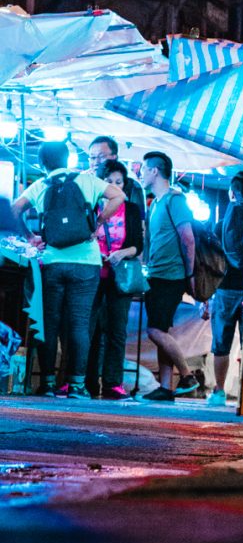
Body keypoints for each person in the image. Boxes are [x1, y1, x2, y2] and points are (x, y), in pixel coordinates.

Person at [12, 141, 122, 397]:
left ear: (42, 164)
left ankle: (48, 384)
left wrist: (30, 237)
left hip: (52, 262)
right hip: (86, 263)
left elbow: (13, 210)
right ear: (69, 159)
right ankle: (77, 385)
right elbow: (119, 196)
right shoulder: (87, 180)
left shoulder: (40, 186)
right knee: (79, 324)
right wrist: (98, 222)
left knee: (48, 324)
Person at [142, 150, 201, 403]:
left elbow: (188, 238)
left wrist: (189, 274)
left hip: (171, 275)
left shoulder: (175, 200)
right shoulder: (155, 202)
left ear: (155, 170)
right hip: (157, 273)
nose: (141, 174)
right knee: (162, 329)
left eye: (144, 169)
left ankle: (187, 376)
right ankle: (166, 387)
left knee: (155, 330)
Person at [86, 162, 144, 400]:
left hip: (120, 276)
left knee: (117, 331)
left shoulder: (131, 209)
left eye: (119, 182)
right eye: (110, 181)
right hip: (92, 275)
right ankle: (85, 382)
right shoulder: (92, 207)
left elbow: (138, 245)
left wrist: (122, 252)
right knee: (90, 330)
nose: (115, 186)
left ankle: (112, 383)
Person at [206, 171, 243, 409]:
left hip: (225, 290)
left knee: (221, 344)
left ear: (232, 193)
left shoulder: (220, 226)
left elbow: (213, 263)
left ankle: (219, 391)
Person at [89, 134, 146, 213]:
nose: (96, 162)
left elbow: (139, 220)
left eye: (101, 156)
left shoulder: (132, 186)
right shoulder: (86, 184)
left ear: (114, 157)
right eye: (93, 158)